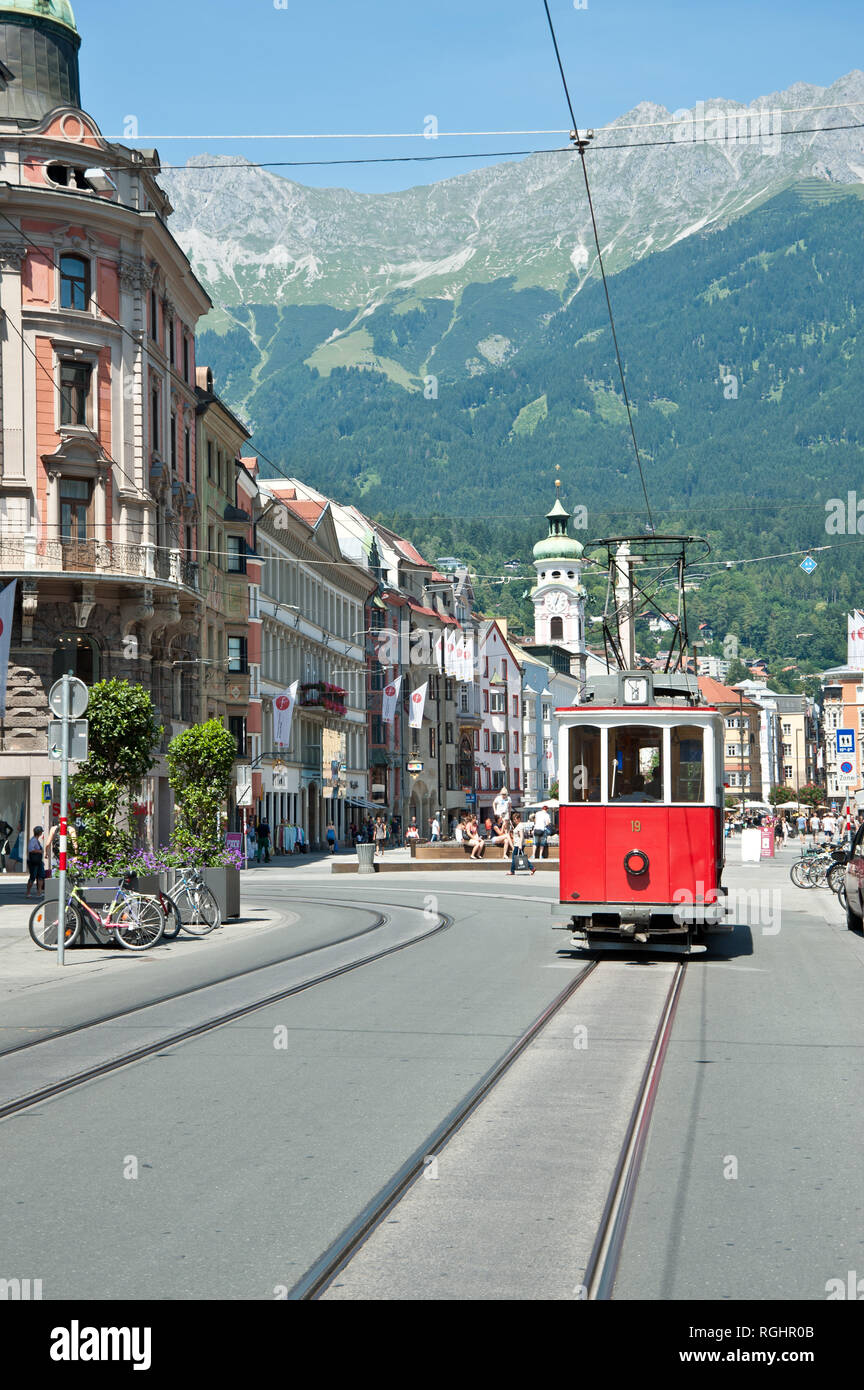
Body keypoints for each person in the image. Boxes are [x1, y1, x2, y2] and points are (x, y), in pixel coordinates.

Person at [26, 826, 45, 898]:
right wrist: (39, 851)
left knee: (41, 876)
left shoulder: (36, 840)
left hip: (38, 861)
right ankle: (28, 892)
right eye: (41, 832)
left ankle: (39, 892)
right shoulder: (33, 840)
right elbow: (30, 849)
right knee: (33, 877)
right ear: (39, 833)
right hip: (33, 862)